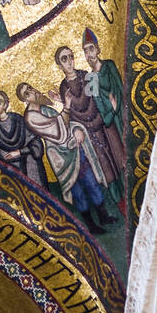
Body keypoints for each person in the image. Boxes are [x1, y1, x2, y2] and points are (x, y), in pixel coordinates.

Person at [16, 81, 115, 235]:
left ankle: (104, 216)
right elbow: (57, 131)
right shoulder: (31, 118)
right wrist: (66, 105)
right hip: (60, 157)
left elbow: (67, 124)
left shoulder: (45, 109)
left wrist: (76, 129)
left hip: (75, 148)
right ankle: (91, 226)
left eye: (30, 87)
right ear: (24, 100)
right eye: (26, 92)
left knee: (91, 182)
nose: (31, 91)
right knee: (77, 192)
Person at [56, 44, 125, 209]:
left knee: (116, 160)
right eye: (64, 59)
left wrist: (103, 116)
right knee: (104, 168)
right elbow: (71, 111)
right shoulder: (64, 87)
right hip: (87, 133)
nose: (69, 61)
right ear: (59, 65)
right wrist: (78, 127)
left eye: (70, 56)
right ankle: (119, 204)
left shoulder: (87, 76)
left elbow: (96, 99)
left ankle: (127, 197)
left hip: (101, 124)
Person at [80, 29, 127, 202]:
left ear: (98, 50)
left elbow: (117, 89)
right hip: (107, 122)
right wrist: (108, 111)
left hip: (119, 115)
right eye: (85, 51)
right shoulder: (90, 78)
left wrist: (115, 108)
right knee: (117, 156)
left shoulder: (109, 65)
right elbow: (95, 103)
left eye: (91, 49)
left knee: (126, 146)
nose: (88, 53)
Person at [0, 89, 49, 187]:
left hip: (27, 164)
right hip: (13, 166)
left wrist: (19, 152)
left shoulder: (17, 119)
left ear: (6, 105)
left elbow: (35, 143)